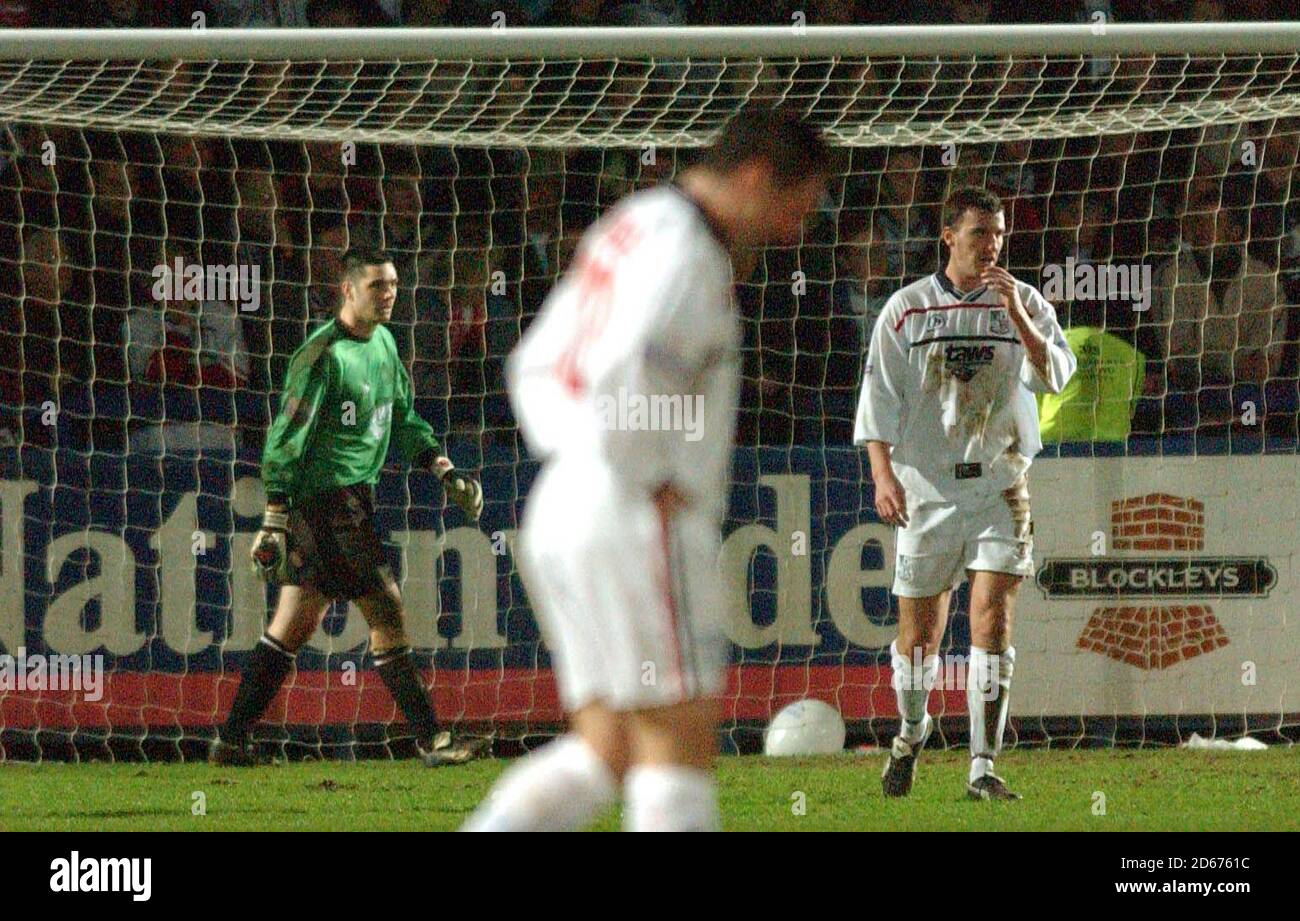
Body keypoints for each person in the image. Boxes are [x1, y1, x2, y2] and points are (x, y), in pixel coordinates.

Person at [463, 107, 832, 831]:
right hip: (633, 508)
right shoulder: (689, 252)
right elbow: (625, 371)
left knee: (605, 749)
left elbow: (532, 364)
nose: (795, 230)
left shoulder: (635, 220)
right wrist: (652, 480)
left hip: (565, 496)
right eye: (797, 207)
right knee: (678, 751)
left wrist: (592, 462)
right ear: (755, 178)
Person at [210, 248, 487, 767]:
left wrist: (442, 468)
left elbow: (401, 416)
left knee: (292, 623)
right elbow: (284, 438)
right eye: (377, 286)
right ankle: (432, 740)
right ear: (348, 290)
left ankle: (230, 740)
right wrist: (273, 517)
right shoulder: (322, 356)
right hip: (324, 501)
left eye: (393, 286)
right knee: (386, 605)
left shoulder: (383, 343)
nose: (388, 296)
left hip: (356, 497)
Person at [855, 186, 1076, 801]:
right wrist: (882, 475)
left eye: (999, 234)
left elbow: (1055, 376)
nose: (993, 245)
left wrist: (1021, 321)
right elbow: (877, 404)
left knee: (992, 619)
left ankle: (982, 766)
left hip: (1001, 487)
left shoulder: (1025, 301)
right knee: (918, 641)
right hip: (926, 491)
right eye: (980, 233)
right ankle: (911, 730)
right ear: (948, 238)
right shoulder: (906, 310)